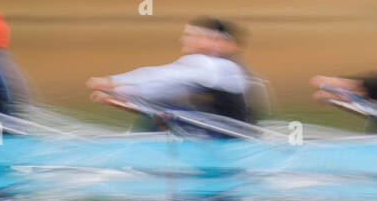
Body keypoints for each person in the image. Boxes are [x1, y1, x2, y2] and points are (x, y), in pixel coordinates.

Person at [86, 17, 255, 123]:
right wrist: (121, 93)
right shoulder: (197, 64)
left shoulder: (219, 66)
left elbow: (163, 75)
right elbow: (163, 88)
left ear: (210, 40)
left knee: (164, 113)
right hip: (212, 129)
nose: (183, 39)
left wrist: (113, 81)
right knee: (162, 106)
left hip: (233, 136)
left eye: (190, 35)